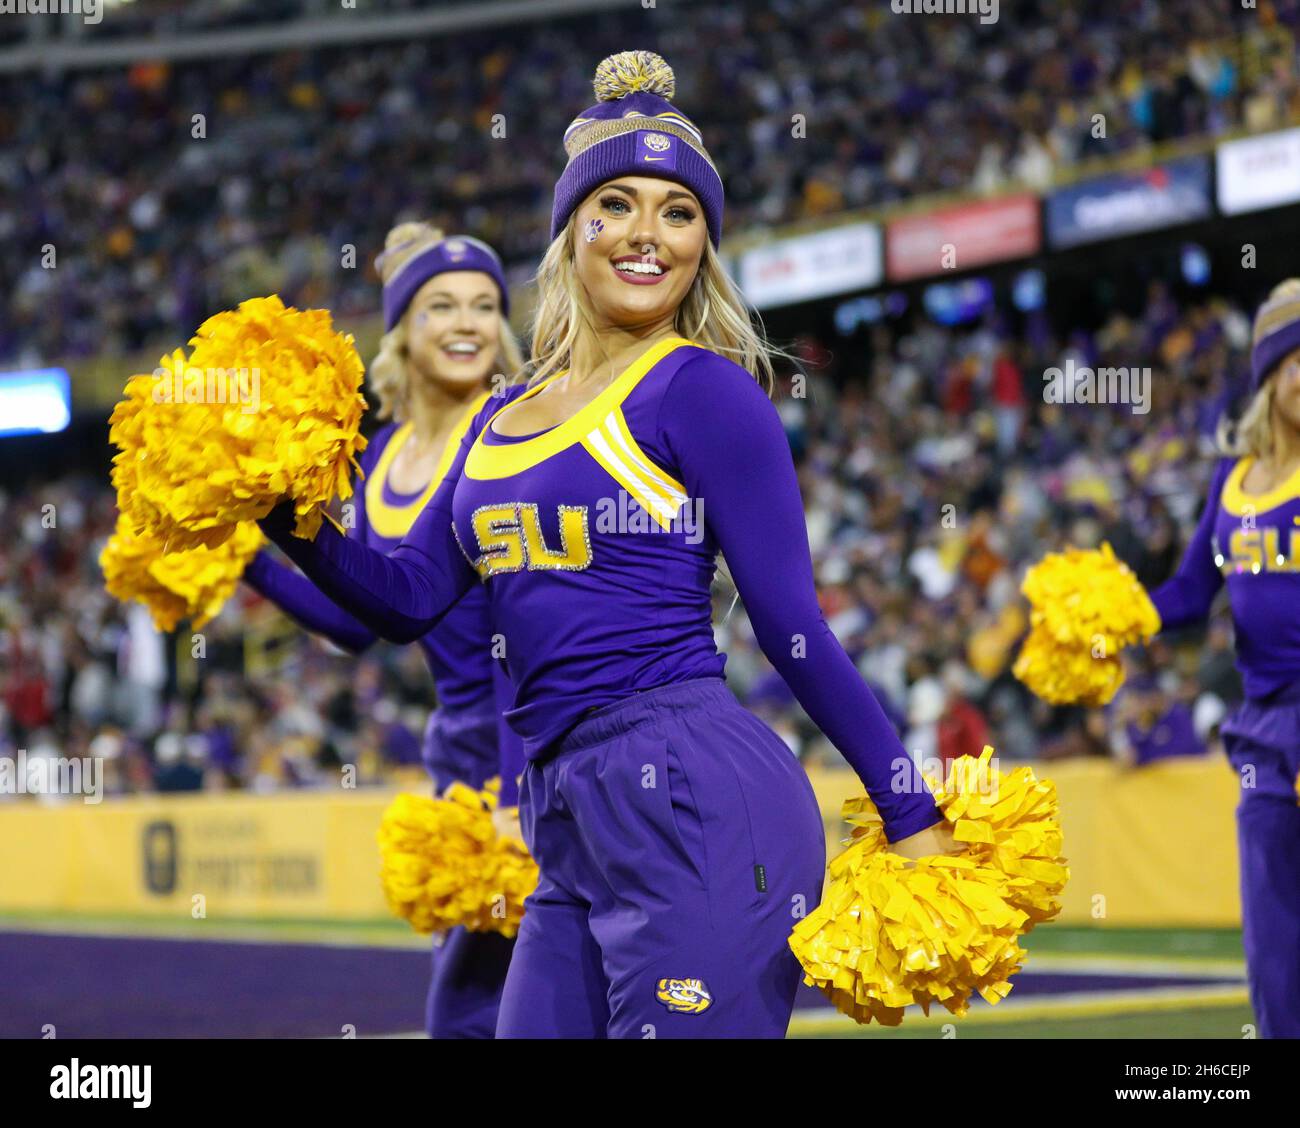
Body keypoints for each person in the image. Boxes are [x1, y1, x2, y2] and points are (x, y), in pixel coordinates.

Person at [258, 50, 955, 1038]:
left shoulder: (703, 392)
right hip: (563, 813)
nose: (645, 234)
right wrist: (276, 511)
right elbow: (405, 596)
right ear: (569, 229)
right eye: (615, 204)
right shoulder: (503, 418)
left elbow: (793, 632)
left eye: (678, 213)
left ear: (703, 245)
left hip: (697, 799)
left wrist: (910, 810)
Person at [244, 223, 525, 1039]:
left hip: (527, 754)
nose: (468, 323)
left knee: (475, 1013)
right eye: (441, 306)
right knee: (486, 1007)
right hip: (457, 762)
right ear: (401, 329)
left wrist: (512, 793)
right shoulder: (387, 454)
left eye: (485, 306)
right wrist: (252, 566)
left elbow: (519, 628)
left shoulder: (510, 431)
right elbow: (370, 621)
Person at [1148, 278, 1300, 1038]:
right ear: (1271, 373)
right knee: (1272, 938)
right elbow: (1187, 590)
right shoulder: (1232, 483)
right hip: (1263, 730)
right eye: (1297, 357)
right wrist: (1117, 616)